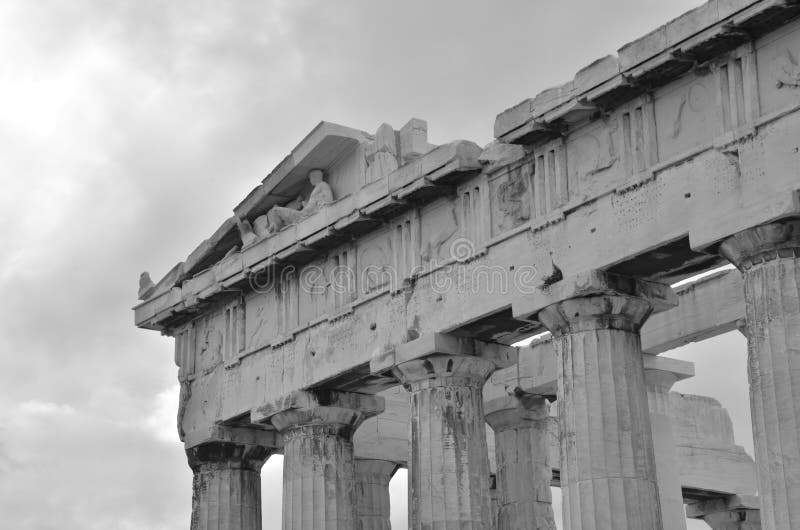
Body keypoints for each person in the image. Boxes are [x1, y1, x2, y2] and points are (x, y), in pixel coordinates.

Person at [265, 169, 333, 233]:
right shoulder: (317, 188)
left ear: (315, 177)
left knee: (275, 210)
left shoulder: (323, 185)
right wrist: (306, 205)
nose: (310, 180)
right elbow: (313, 204)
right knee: (275, 210)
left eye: (311, 178)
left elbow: (329, 199)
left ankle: (275, 229)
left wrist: (321, 209)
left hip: (303, 216)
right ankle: (275, 227)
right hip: (303, 213)